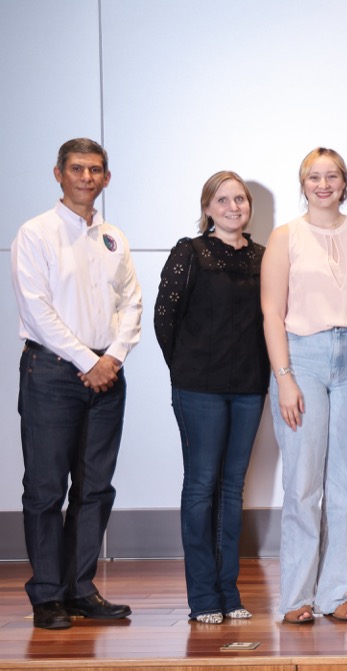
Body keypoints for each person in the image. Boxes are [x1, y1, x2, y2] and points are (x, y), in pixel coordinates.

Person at [12, 138, 142, 630]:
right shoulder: (36, 233)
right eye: (77, 169)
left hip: (108, 374)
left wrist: (112, 357)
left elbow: (131, 301)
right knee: (46, 489)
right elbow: (36, 309)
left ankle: (79, 588)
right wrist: (88, 359)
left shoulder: (114, 238)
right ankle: (47, 595)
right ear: (58, 174)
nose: (86, 177)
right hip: (50, 373)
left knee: (95, 488)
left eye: (95, 170)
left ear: (106, 177)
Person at [261, 147, 347, 624]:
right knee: (303, 485)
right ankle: (296, 598)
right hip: (303, 358)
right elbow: (271, 312)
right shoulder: (285, 236)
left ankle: (334, 593)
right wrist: (284, 377)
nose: (324, 184)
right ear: (303, 182)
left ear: (344, 182)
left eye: (332, 176)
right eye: (315, 176)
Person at [154, 171, 270, 624]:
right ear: (207, 208)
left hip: (248, 387)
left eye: (240, 199)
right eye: (222, 200)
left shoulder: (262, 256)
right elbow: (166, 319)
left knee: (231, 488)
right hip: (198, 386)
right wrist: (186, 368)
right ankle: (203, 595)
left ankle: (229, 590)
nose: (233, 206)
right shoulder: (191, 252)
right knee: (201, 486)